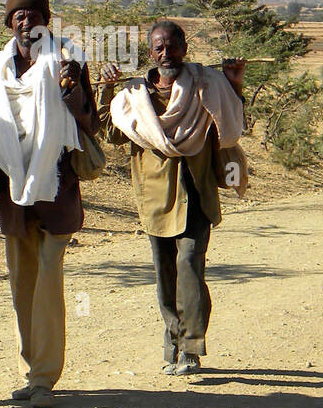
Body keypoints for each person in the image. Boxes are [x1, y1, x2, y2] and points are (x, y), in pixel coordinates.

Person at [0, 0, 98, 408]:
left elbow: (91, 122)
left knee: (48, 279)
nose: (26, 20)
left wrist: (71, 90)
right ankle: (29, 369)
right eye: (18, 14)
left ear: (46, 20)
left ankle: (43, 378)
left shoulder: (70, 61)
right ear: (9, 22)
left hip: (57, 184)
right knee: (22, 283)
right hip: (10, 188)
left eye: (34, 13)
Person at [98, 21, 245, 375]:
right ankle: (174, 341)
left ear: (184, 48)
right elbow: (109, 132)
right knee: (165, 273)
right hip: (155, 198)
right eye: (159, 48)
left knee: (190, 265)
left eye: (173, 46)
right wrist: (105, 90)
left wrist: (234, 84)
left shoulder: (205, 86)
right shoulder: (134, 96)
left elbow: (232, 123)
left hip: (197, 192)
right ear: (151, 52)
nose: (167, 54)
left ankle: (191, 348)